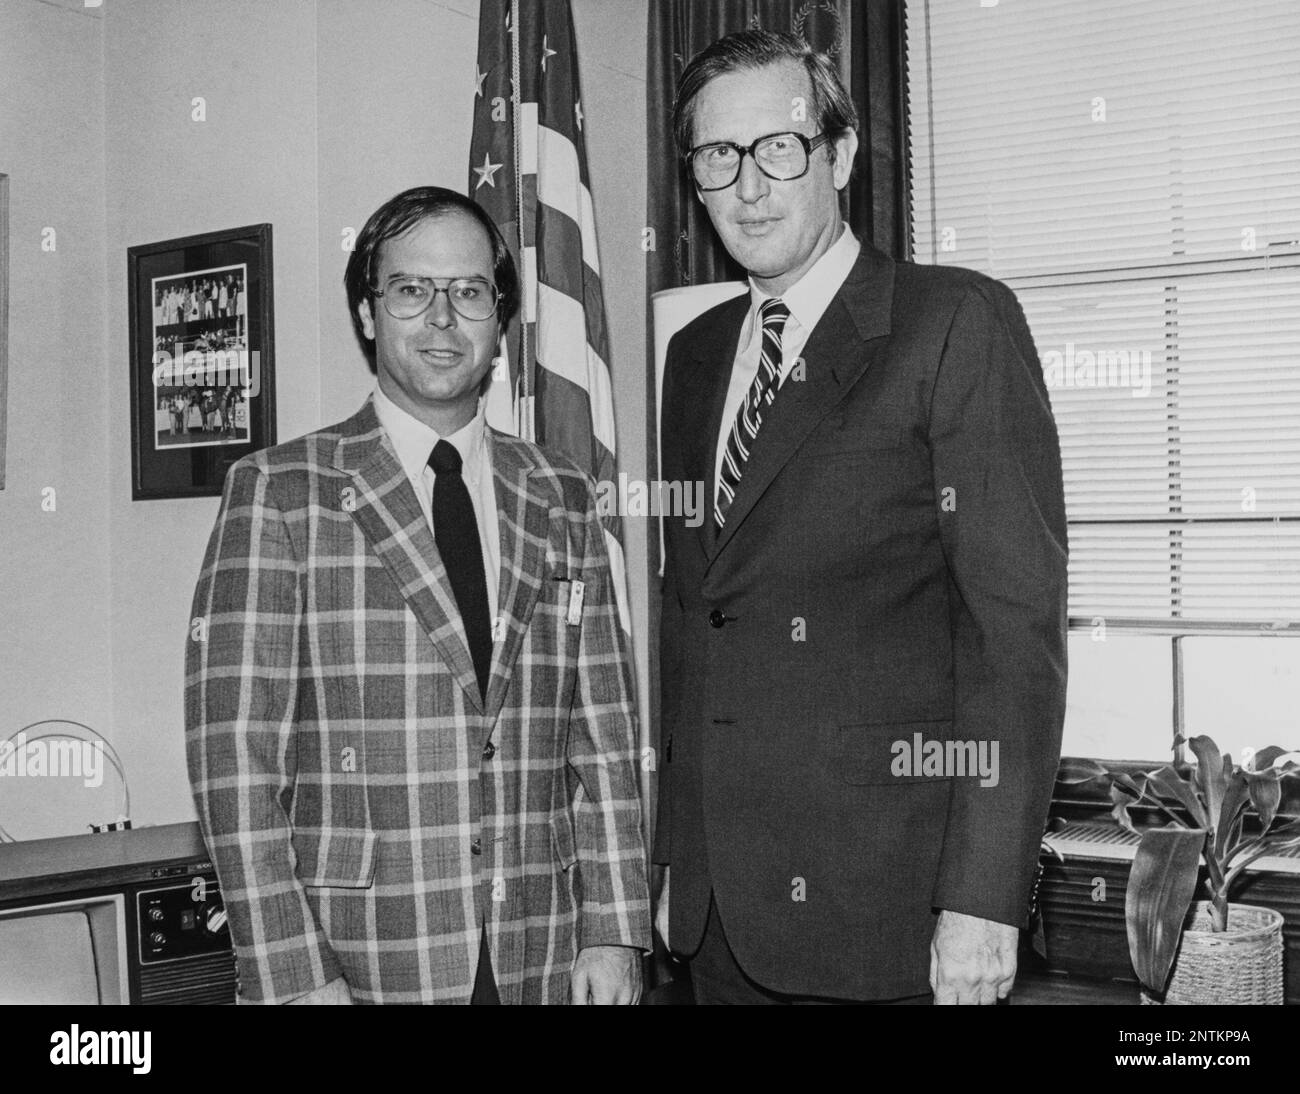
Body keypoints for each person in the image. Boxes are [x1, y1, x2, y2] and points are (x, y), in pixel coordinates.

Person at [653, 30, 1068, 1005]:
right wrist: (676, 852)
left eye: (779, 148)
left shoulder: (950, 322)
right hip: (718, 917)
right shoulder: (697, 355)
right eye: (719, 156)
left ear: (837, 156)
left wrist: (985, 897)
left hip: (892, 918)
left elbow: (1015, 637)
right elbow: (691, 618)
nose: (748, 184)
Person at [185, 185, 650, 1005]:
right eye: (411, 290)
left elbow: (603, 737)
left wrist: (612, 929)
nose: (442, 318)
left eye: (469, 292)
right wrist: (294, 975)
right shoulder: (281, 493)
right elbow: (234, 762)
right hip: (356, 956)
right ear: (370, 314)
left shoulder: (564, 493)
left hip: (541, 954)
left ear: (498, 320)